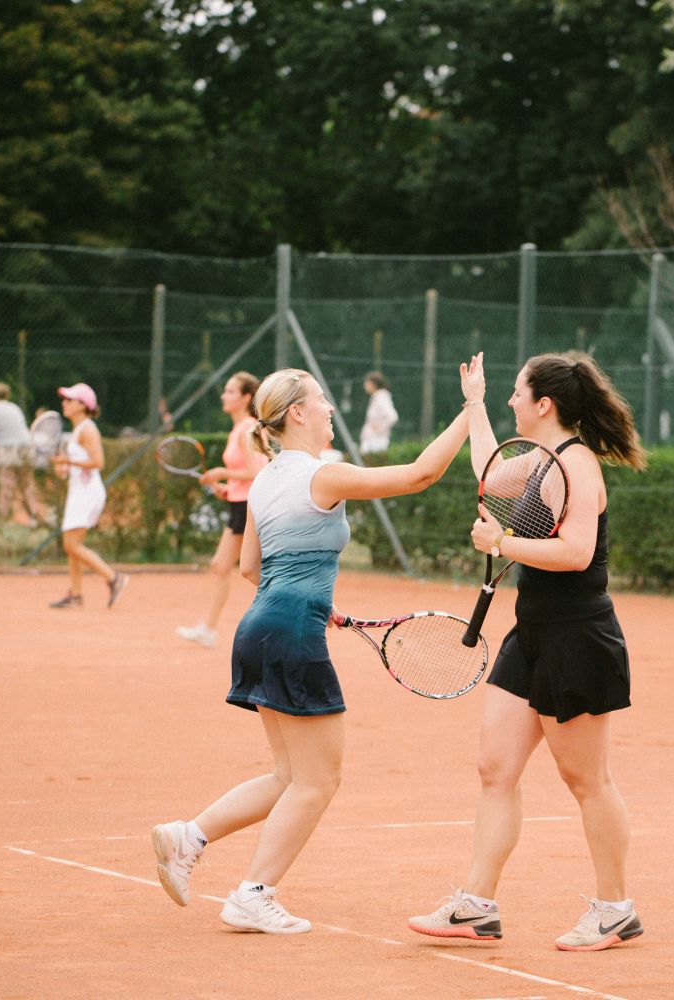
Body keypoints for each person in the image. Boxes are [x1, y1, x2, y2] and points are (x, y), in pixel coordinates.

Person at [150, 363, 476, 935]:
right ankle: (253, 894)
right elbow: (421, 474)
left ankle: (189, 836)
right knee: (319, 780)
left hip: (259, 627)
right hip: (292, 632)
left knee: (288, 774)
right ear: (297, 413)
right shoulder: (320, 473)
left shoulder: (266, 480)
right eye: (322, 400)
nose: (331, 409)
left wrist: (315, 606)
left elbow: (252, 568)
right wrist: (472, 410)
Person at [407, 351, 648, 952]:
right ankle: (476, 904)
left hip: (578, 637)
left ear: (545, 405)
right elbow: (490, 472)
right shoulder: (541, 462)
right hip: (531, 632)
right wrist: (475, 402)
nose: (512, 401)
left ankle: (616, 908)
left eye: (517, 393)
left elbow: (575, 553)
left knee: (587, 780)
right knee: (495, 769)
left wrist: (502, 538)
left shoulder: (579, 466)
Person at [176, 372, 270, 649]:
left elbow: (257, 470)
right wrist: (225, 486)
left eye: (230, 391)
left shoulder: (247, 428)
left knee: (252, 570)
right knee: (223, 566)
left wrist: (221, 472)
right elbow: (246, 474)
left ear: (246, 398)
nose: (223, 395)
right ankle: (208, 629)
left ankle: (289, 610)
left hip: (249, 506)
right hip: (240, 502)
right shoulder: (239, 428)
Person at [48, 383, 128, 609]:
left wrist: (67, 461)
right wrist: (64, 468)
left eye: (69, 400)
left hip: (87, 493)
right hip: (79, 492)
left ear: (83, 405)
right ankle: (75, 595)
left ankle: (114, 577)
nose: (64, 403)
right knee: (73, 545)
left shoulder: (88, 429)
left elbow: (98, 463)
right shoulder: (78, 430)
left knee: (71, 545)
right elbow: (78, 466)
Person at [0, 382, 43, 526]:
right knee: (27, 485)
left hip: (8, 449)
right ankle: (36, 520)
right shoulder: (15, 408)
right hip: (27, 448)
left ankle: (2, 523)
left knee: (6, 486)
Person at [358, 371, 398, 454]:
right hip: (371, 441)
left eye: (366, 383)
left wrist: (379, 429)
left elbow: (392, 417)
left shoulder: (381, 397)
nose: (365, 385)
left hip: (376, 442)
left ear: (372, 384)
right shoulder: (376, 397)